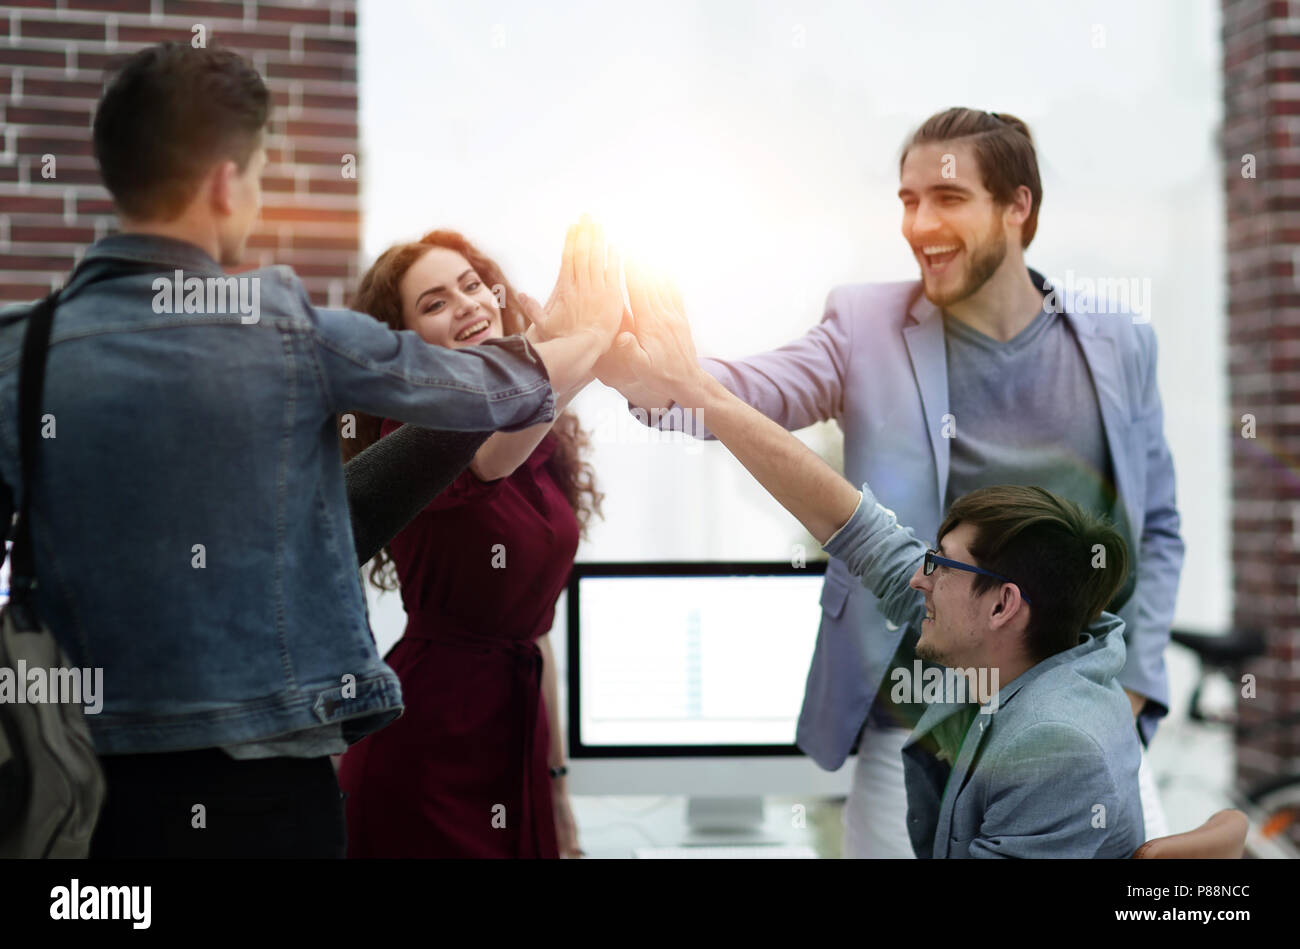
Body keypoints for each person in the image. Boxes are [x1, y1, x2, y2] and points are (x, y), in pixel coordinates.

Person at [0, 41, 623, 858]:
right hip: (268, 787)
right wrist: (598, 326)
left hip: (84, 792)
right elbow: (480, 396)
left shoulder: (22, 353)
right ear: (227, 183)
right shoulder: (280, 325)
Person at [605, 108, 1181, 855]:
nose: (917, 223)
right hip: (915, 720)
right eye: (907, 200)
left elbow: (1158, 527)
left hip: (1080, 721)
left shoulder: (1118, 343)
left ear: (1016, 207)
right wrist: (655, 381)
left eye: (946, 198)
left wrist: (1134, 689)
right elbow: (750, 396)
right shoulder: (864, 325)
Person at [336, 230, 601, 858]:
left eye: (473, 285)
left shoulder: (543, 434)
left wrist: (556, 784)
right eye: (434, 303)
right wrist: (585, 340)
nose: (467, 304)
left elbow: (535, 630)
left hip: (518, 736)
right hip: (426, 744)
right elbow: (487, 460)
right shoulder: (412, 430)